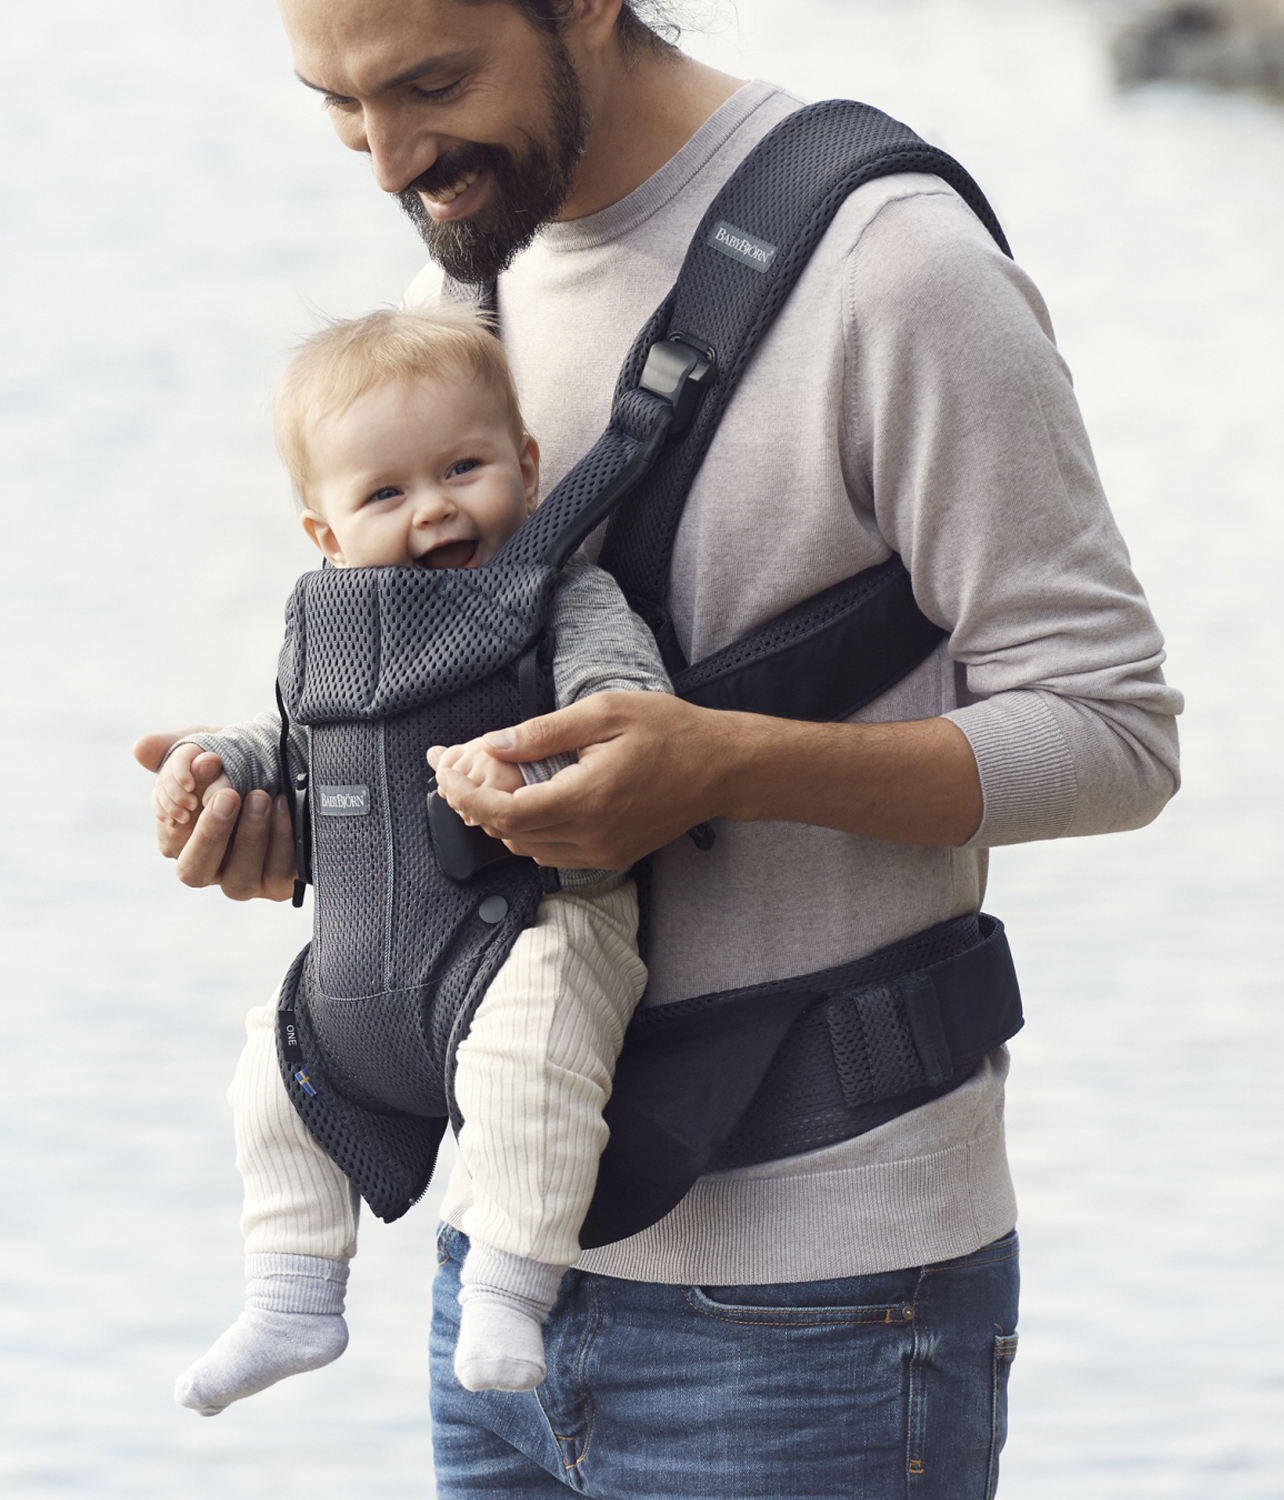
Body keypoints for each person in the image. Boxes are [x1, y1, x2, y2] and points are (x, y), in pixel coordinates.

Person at [133, 0, 1182, 1491]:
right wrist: (306, 826)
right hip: (498, 1283)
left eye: (430, 85)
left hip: (820, 1303)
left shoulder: (894, 269)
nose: (389, 162)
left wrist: (724, 767)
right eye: (340, 108)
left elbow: (1114, 730)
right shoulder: (464, 279)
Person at [160, 305, 670, 1416]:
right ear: (327, 535)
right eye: (386, 494)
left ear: (527, 470)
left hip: (536, 925)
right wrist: (213, 765)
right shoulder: (327, 625)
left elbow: (628, 713)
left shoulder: (560, 598)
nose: (434, 506)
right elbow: (290, 740)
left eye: (463, 468)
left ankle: (507, 1286)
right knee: (268, 1079)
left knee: (534, 1065)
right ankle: (291, 1292)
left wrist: (542, 771)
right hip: (366, 960)